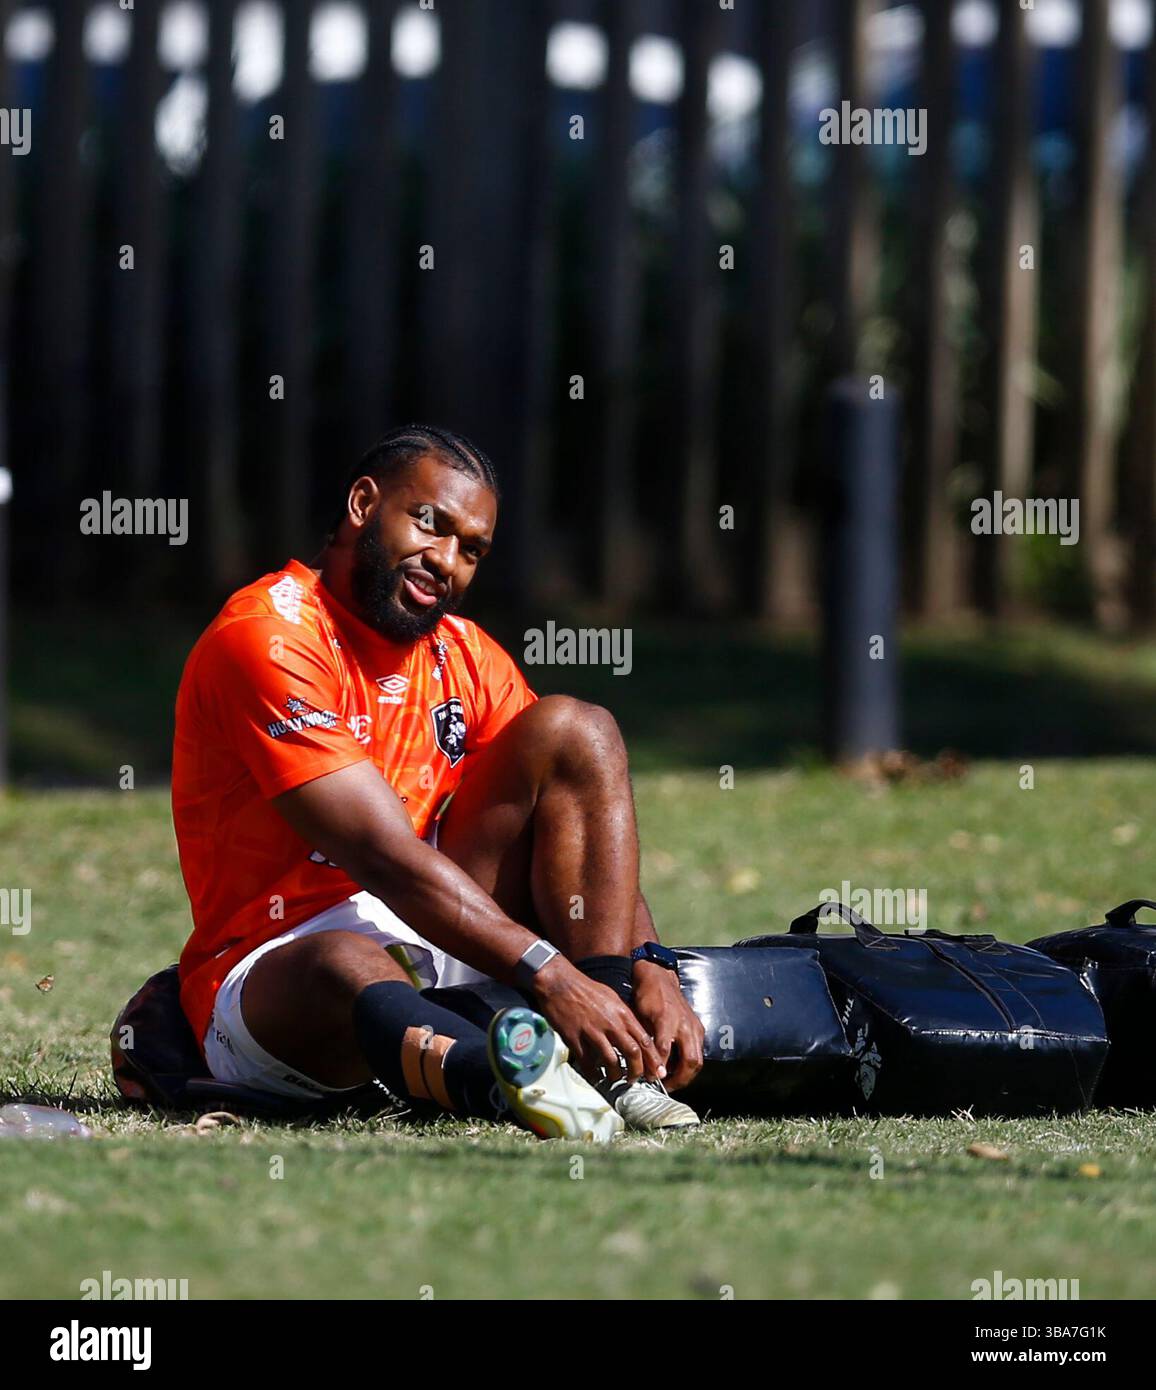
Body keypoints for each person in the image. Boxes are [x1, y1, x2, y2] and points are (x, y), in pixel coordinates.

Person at [172, 424, 704, 1141]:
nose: (446, 561)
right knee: (348, 959)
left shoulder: (466, 654)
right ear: (365, 503)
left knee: (578, 729)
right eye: (431, 523)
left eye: (473, 549)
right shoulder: (268, 635)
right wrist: (548, 974)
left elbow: (572, 824)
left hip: (436, 925)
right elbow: (382, 859)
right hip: (275, 969)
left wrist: (647, 963)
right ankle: (510, 1081)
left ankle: (611, 1062)